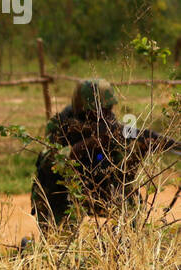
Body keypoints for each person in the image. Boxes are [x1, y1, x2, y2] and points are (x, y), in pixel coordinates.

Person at [31, 78, 179, 231]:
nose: (108, 113)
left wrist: (138, 153)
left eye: (109, 108)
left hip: (96, 187)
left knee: (130, 213)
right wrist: (87, 144)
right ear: (83, 108)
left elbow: (123, 176)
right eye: (101, 109)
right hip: (60, 192)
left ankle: (123, 242)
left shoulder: (112, 130)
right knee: (58, 242)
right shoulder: (60, 124)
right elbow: (49, 162)